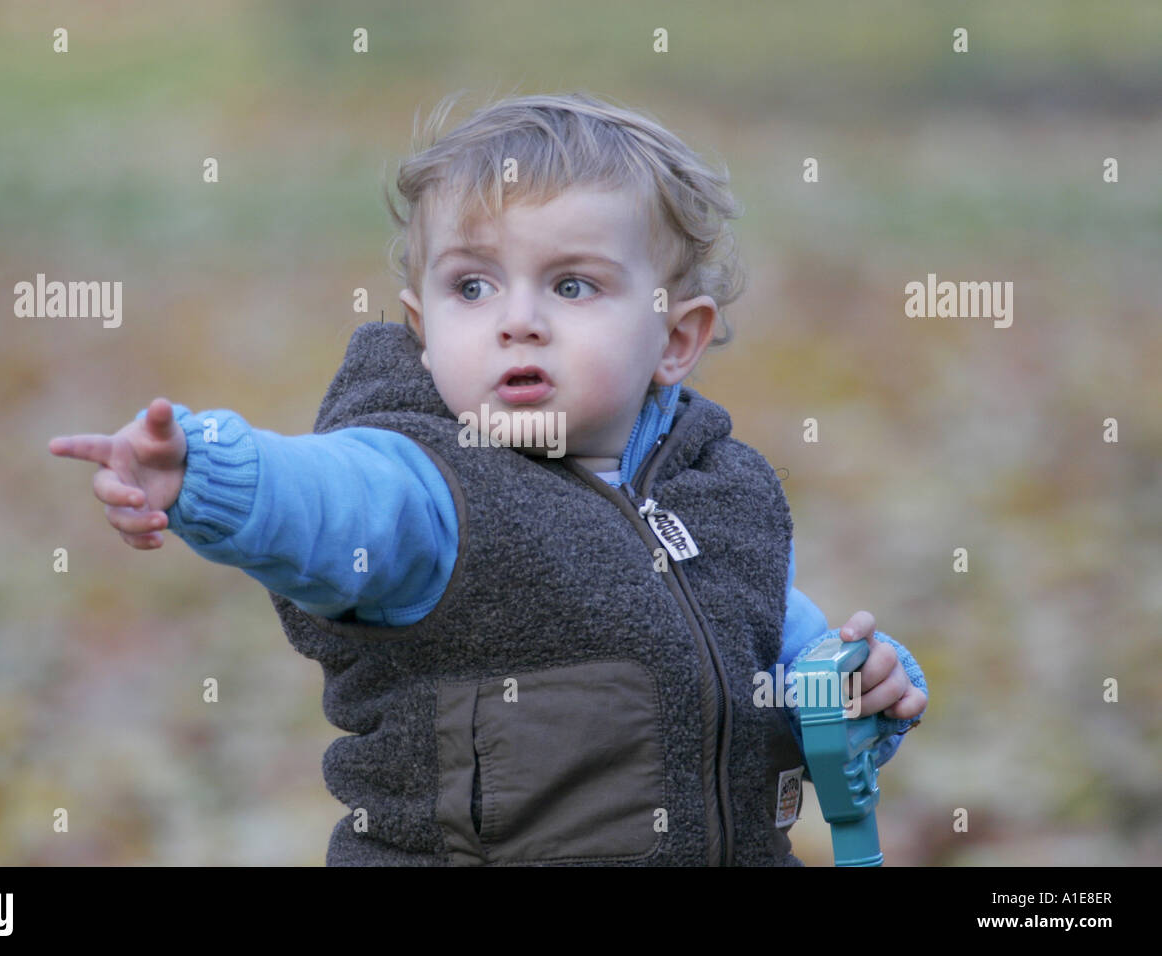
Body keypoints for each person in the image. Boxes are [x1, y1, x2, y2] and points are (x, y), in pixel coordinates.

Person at [49, 91, 928, 866]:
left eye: (573, 286)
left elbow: (781, 651)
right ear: (420, 326)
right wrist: (211, 471)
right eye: (472, 286)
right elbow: (334, 502)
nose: (518, 321)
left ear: (675, 339)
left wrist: (855, 689)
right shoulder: (431, 488)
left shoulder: (722, 495)